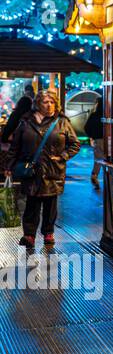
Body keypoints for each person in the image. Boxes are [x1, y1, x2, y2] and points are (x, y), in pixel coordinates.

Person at [3, 89, 81, 250]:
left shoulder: (62, 122)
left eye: (52, 102)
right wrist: (8, 166)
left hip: (53, 170)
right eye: (46, 102)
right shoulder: (26, 121)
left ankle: (48, 232)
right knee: (31, 203)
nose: (49, 105)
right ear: (38, 104)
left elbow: (75, 144)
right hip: (31, 169)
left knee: (50, 204)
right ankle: (29, 235)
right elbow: (15, 147)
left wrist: (63, 156)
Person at [85, 96, 105, 191]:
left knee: (97, 160)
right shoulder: (109, 115)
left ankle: (94, 176)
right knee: (110, 160)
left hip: (98, 140)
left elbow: (86, 128)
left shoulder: (94, 115)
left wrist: (92, 136)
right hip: (109, 140)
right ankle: (111, 180)